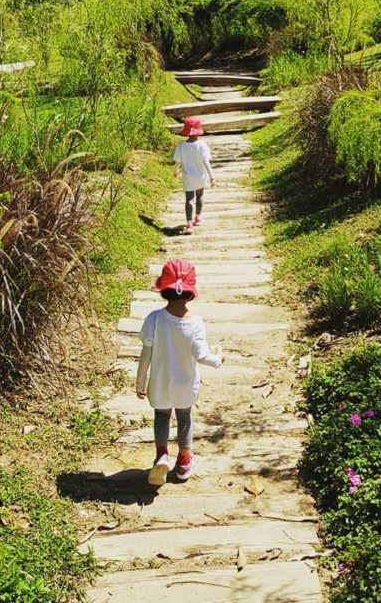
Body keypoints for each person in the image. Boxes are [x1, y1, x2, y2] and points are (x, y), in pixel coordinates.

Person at [136, 259, 223, 486]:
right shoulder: (196, 323)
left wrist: (140, 382)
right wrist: (218, 359)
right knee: (184, 418)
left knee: (161, 417)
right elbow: (201, 356)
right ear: (191, 292)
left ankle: (161, 456)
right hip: (185, 386)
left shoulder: (154, 319)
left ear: (163, 291)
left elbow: (146, 354)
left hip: (160, 384)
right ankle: (184, 462)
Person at [173, 116, 215, 234]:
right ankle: (198, 217)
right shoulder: (202, 145)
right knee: (200, 195)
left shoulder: (181, 146)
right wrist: (212, 176)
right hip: (200, 177)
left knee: (189, 199)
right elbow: (206, 162)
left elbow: (178, 162)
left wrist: (176, 172)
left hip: (188, 178)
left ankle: (189, 224)